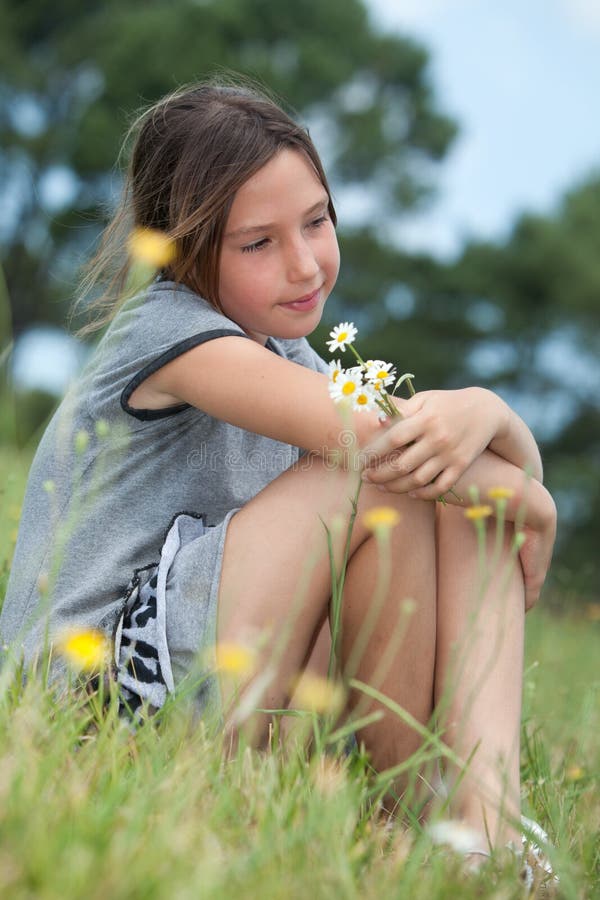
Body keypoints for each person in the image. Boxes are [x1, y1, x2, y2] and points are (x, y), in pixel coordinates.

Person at [1, 81, 557, 862]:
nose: (304, 265)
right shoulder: (172, 332)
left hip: (230, 680)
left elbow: (453, 461)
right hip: (101, 699)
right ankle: (451, 819)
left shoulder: (288, 355)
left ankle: (477, 825)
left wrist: (493, 418)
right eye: (258, 243)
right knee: (386, 474)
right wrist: (532, 498)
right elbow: (386, 448)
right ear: (188, 248)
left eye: (317, 221)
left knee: (451, 496)